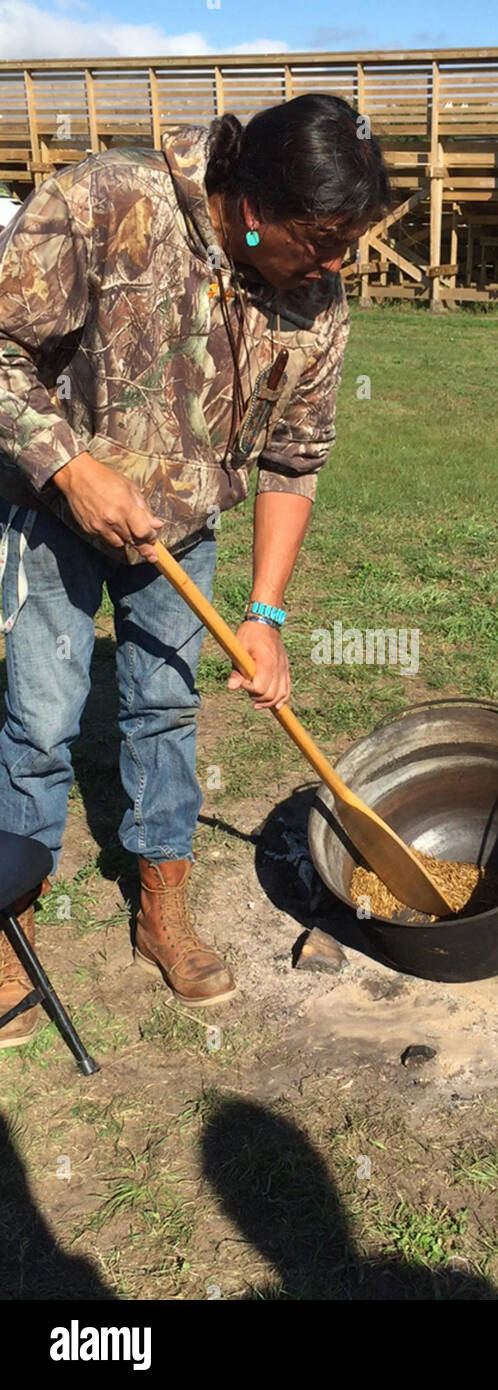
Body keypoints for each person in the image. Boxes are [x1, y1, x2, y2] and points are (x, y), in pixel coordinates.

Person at [0, 96, 391, 1047]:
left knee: (166, 709)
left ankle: (162, 901)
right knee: (42, 717)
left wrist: (264, 612)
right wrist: (69, 464)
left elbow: (295, 460)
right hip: (52, 512)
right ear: (250, 203)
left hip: (183, 532)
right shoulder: (106, 201)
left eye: (350, 242)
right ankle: (10, 912)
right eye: (321, 238)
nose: (334, 264)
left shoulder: (316, 301)